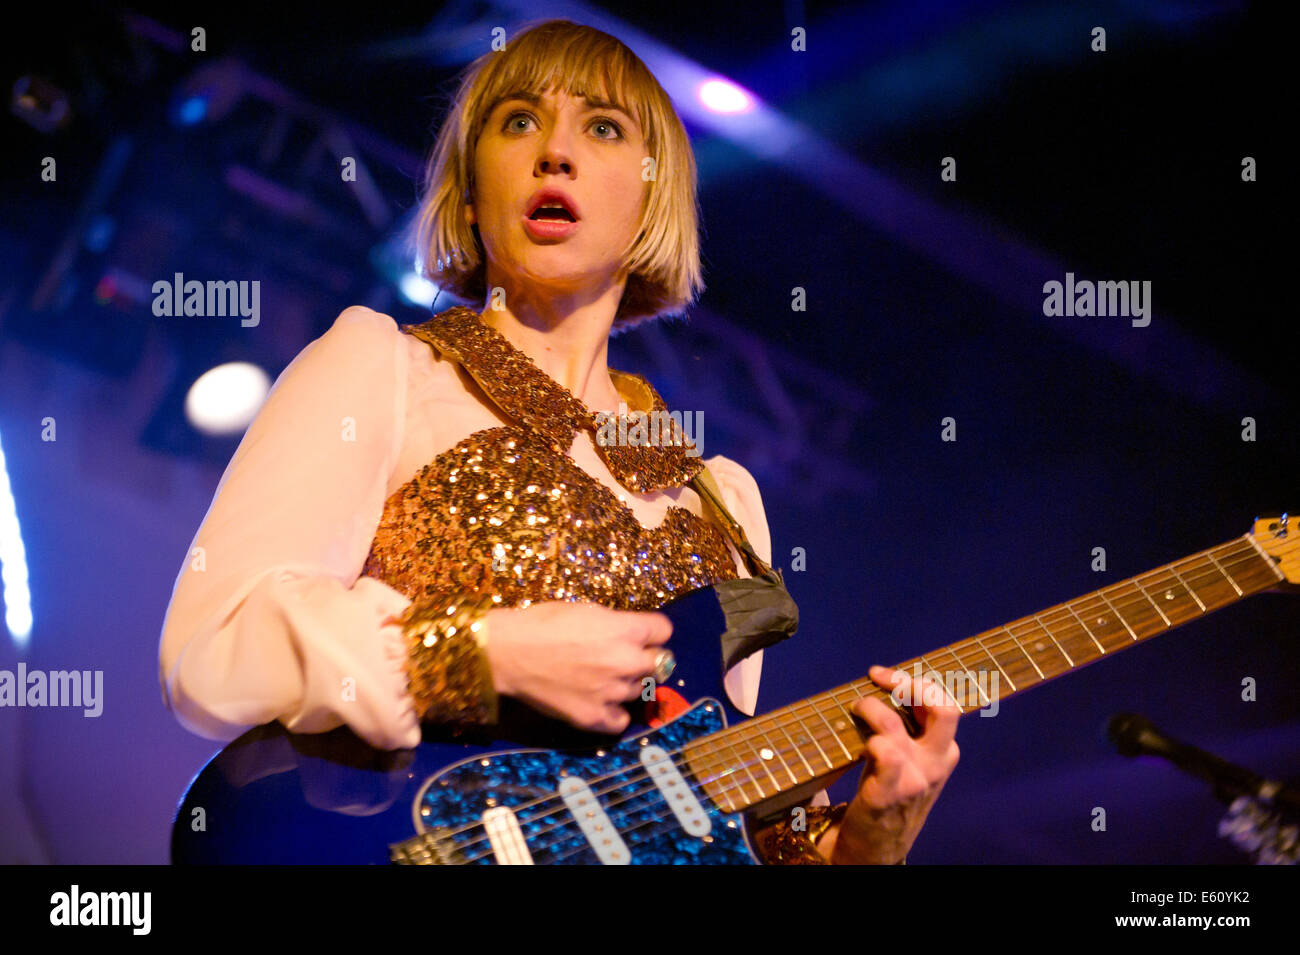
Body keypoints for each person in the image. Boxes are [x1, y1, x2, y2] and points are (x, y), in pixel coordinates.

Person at [158, 18, 960, 865]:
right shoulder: (383, 366)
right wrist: (477, 653)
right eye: (517, 122)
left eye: (603, 128)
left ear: (653, 199)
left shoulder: (725, 499)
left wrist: (863, 844)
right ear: (471, 194)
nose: (555, 152)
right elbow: (217, 643)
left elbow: (712, 830)